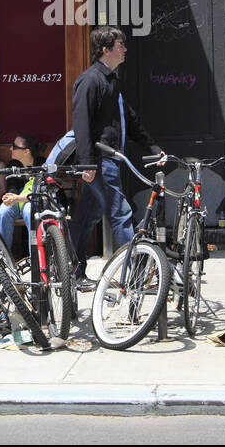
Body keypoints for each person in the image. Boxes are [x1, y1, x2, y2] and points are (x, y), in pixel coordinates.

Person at [71, 26, 163, 292]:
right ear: (106, 49)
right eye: (120, 44)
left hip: (109, 160)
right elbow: (82, 125)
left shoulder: (112, 81)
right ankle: (134, 276)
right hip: (100, 161)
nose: (125, 49)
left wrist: (152, 147)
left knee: (87, 217)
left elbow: (129, 119)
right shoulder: (90, 81)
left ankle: (73, 272)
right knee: (121, 214)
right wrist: (86, 164)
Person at [0, 134, 41, 252]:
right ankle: (2, 257)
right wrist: (10, 196)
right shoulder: (13, 165)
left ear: (26, 151)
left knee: (29, 210)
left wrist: (17, 198)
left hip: (35, 201)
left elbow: (40, 193)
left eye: (14, 146)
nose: (11, 149)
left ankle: (36, 260)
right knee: (4, 210)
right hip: (18, 201)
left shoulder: (42, 165)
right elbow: (12, 186)